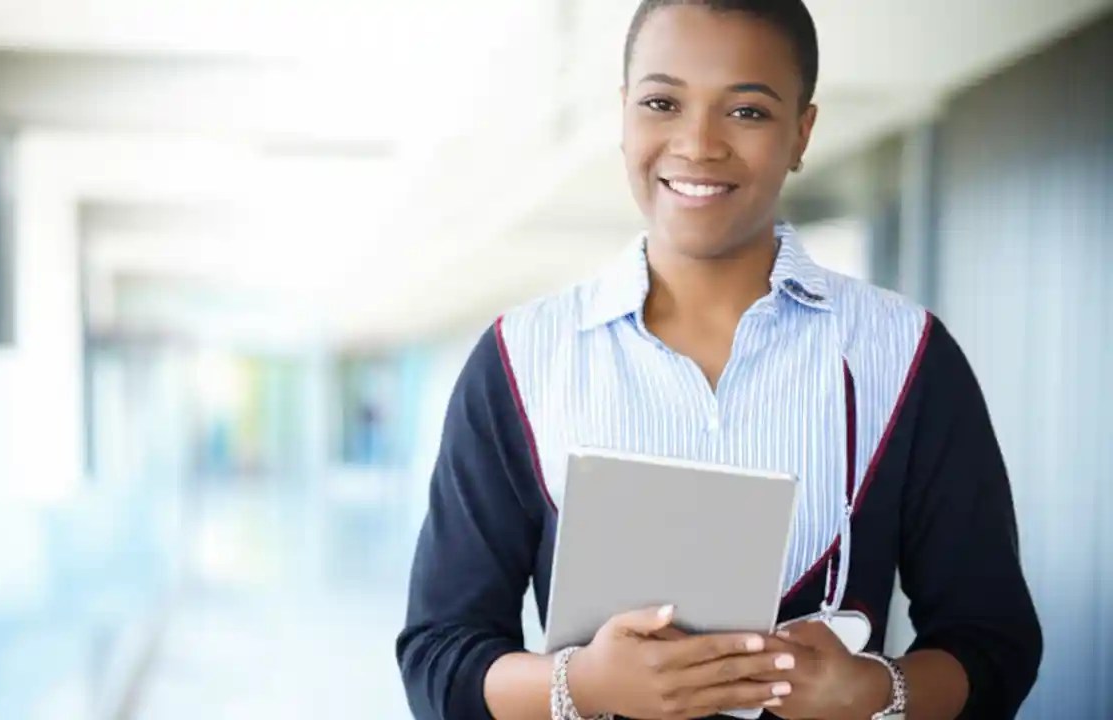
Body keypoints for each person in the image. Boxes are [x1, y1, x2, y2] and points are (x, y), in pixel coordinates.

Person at [396, 1, 1042, 718]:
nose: (697, 144)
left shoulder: (904, 355)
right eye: (662, 102)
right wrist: (582, 685)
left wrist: (872, 692)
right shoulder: (521, 362)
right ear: (623, 116)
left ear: (802, 132)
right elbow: (437, 658)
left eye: (748, 112)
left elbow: (995, 644)